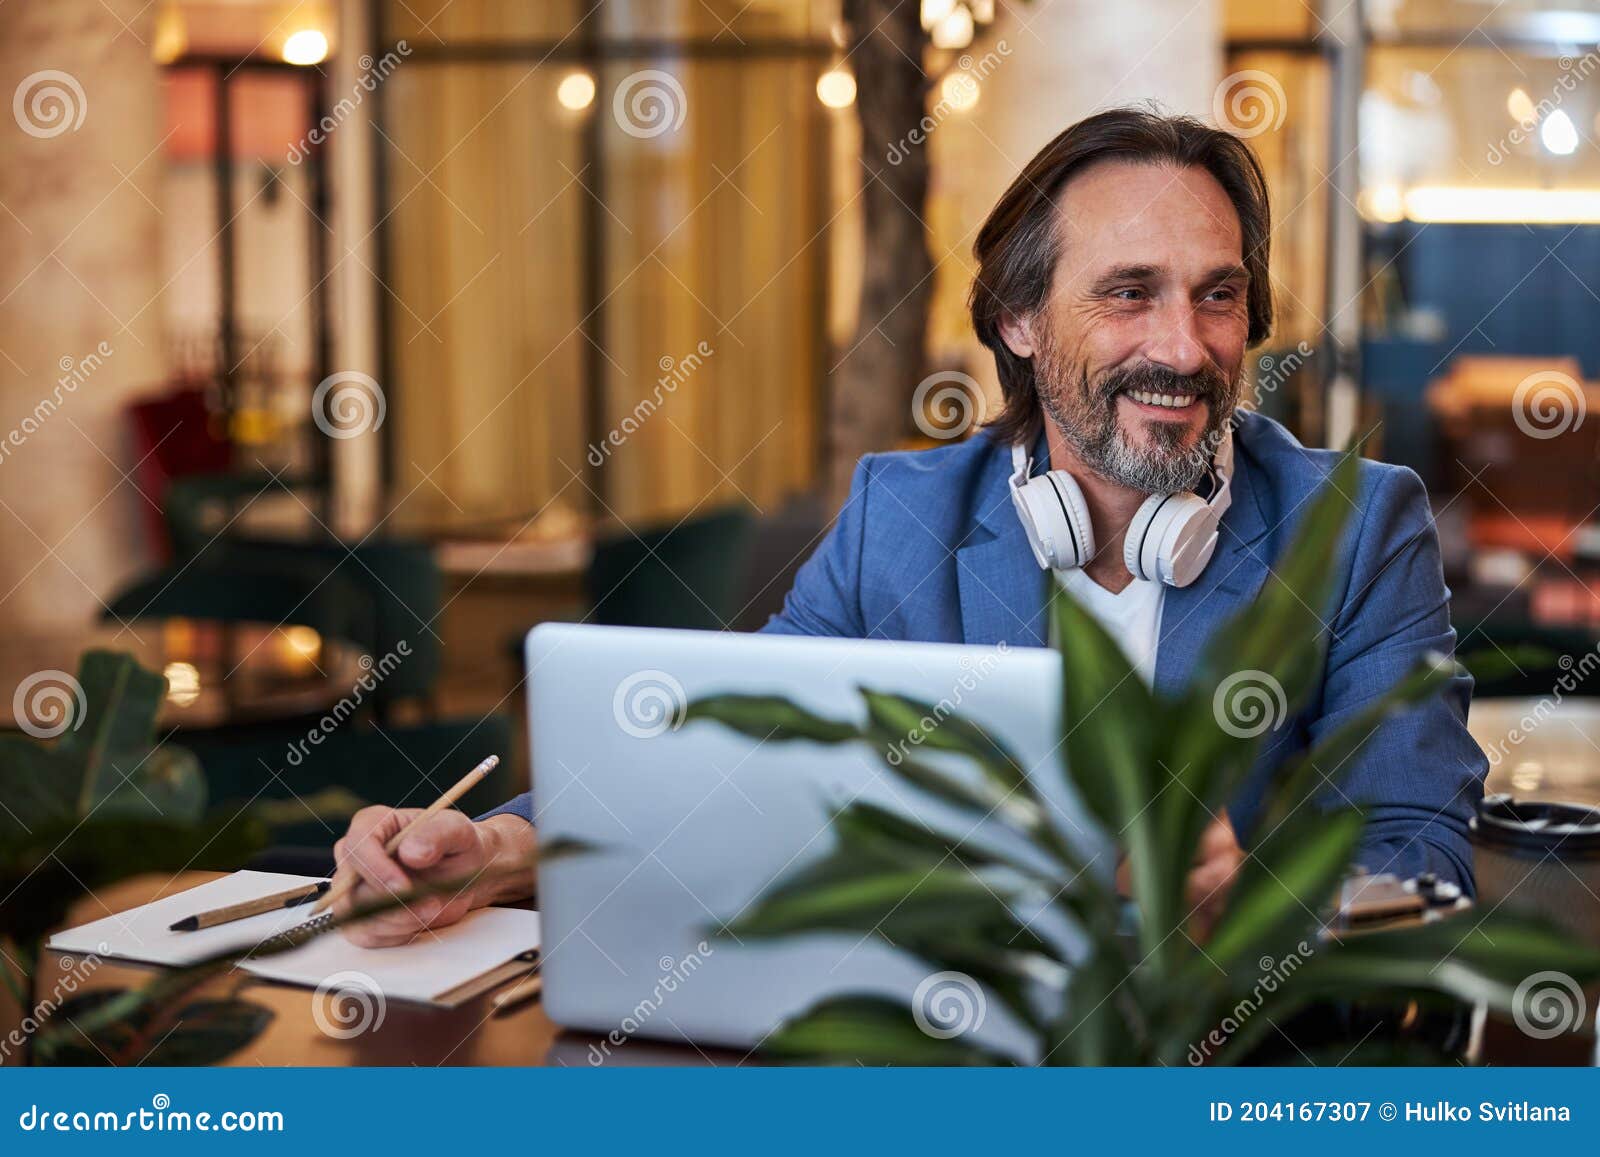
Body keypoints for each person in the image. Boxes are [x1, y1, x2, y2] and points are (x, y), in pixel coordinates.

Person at [330, 107, 1487, 947]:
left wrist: (1255, 902)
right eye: (1128, 291)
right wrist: (495, 849)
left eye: (1217, 295)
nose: (1183, 347)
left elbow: (1420, 852)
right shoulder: (904, 512)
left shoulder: (1357, 524)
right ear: (1019, 319)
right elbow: (731, 766)